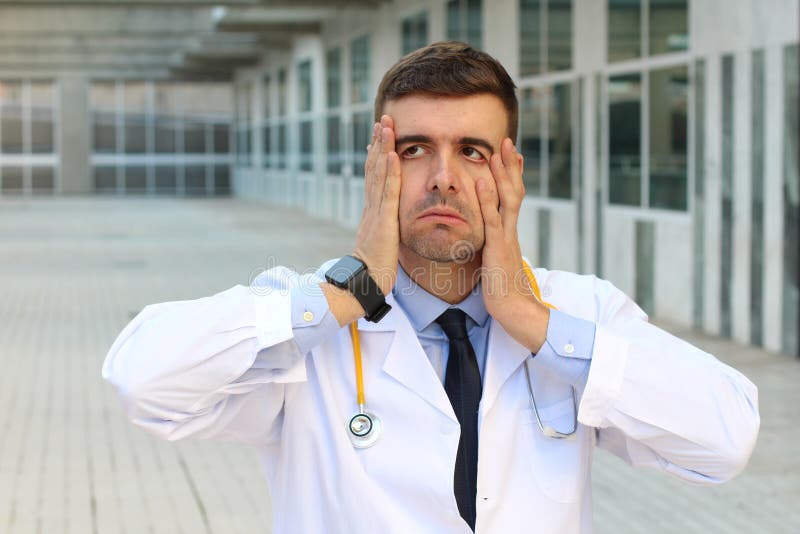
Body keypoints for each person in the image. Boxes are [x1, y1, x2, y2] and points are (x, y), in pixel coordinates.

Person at [103, 42, 759, 534]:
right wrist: (347, 291)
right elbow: (144, 381)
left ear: (510, 172)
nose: (443, 178)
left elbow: (726, 436)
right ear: (376, 164)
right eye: (415, 149)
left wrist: (532, 321)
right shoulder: (309, 319)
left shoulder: (577, 311)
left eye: (472, 152)